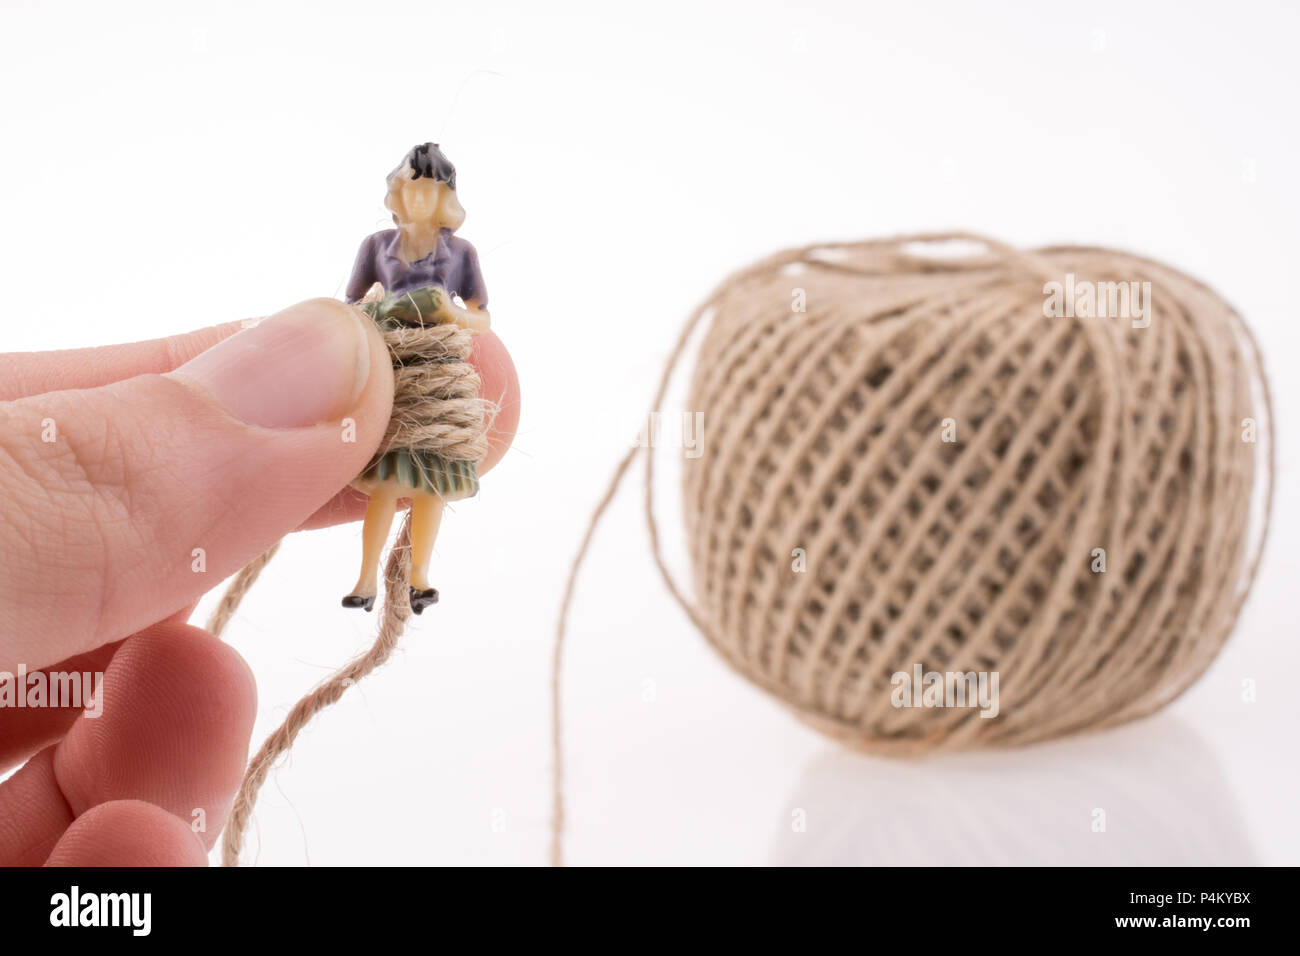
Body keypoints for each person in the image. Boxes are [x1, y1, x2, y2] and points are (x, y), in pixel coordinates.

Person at [0, 298, 519, 865]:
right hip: (400, 395)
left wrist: (450, 320)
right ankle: (369, 576)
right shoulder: (388, 260)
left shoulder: (453, 263)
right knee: (390, 496)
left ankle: (413, 575)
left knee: (420, 496)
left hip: (426, 400)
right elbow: (364, 292)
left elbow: (476, 316)